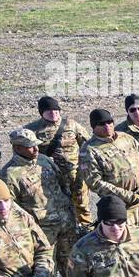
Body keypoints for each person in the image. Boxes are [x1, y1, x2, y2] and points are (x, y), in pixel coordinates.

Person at [2, 127, 80, 277]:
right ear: (17, 148)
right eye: (30, 147)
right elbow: (12, 209)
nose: (35, 150)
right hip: (43, 230)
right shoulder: (10, 174)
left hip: (65, 222)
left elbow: (63, 185)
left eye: (36, 146)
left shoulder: (44, 161)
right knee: (48, 270)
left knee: (72, 264)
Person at [24, 96, 91, 229]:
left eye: (56, 110)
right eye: (49, 110)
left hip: (75, 174)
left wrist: (85, 167)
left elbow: (87, 144)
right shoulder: (32, 130)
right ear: (42, 113)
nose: (54, 113)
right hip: (48, 177)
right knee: (56, 206)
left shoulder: (71, 125)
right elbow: (24, 152)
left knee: (82, 204)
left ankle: (86, 230)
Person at [80, 108, 139, 224]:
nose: (107, 126)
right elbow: (95, 182)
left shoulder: (126, 138)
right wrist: (128, 196)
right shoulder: (89, 150)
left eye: (109, 122)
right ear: (94, 127)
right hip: (120, 207)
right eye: (101, 124)